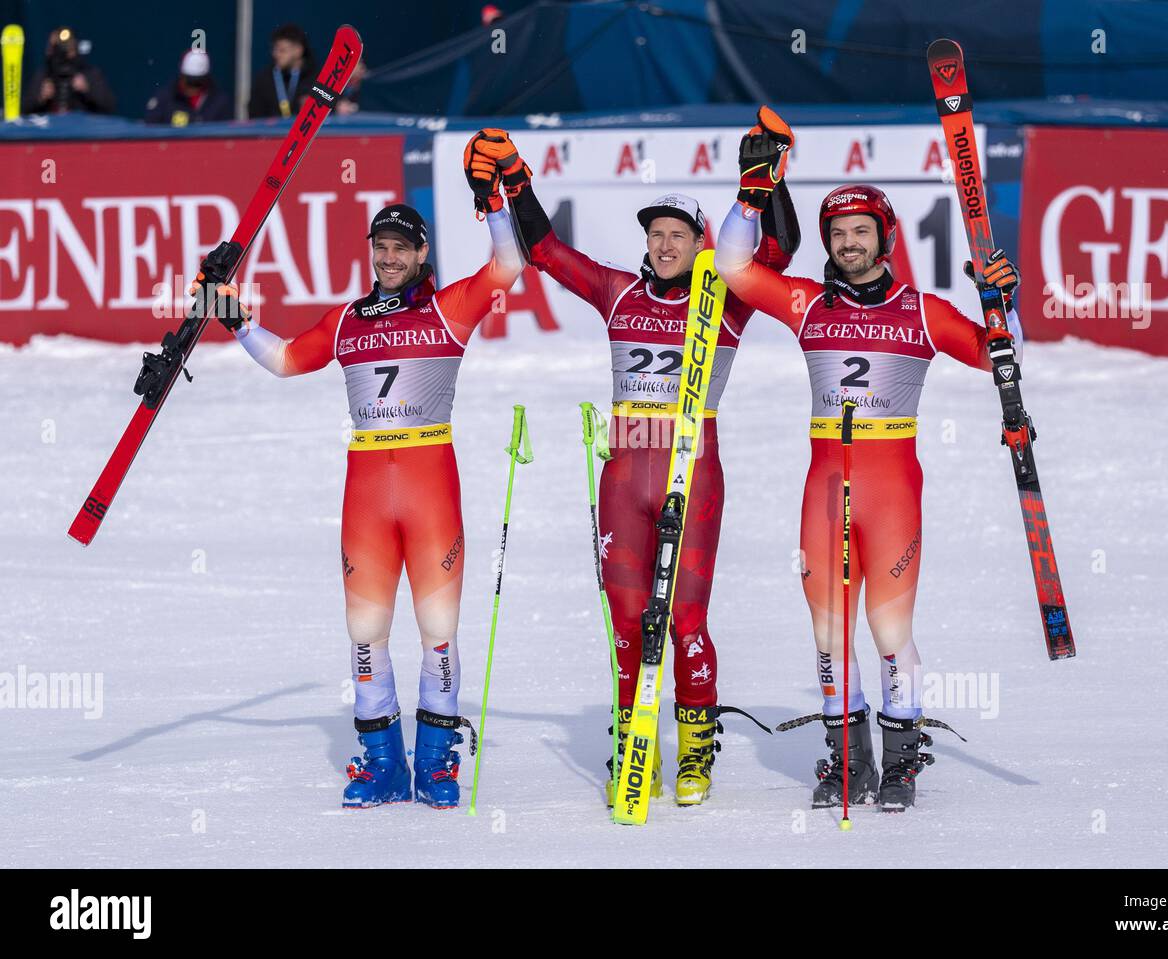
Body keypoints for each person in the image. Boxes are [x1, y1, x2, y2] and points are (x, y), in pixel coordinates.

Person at [484, 113, 799, 806]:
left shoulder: (727, 299)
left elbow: (780, 247)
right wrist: (514, 177)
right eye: (654, 235)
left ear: (699, 244)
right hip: (625, 473)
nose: (662, 246)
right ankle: (635, 741)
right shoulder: (617, 292)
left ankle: (694, 751)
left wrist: (767, 177)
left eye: (676, 236)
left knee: (686, 620)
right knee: (626, 624)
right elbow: (546, 252)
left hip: (695, 467)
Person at [206, 133, 525, 809]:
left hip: (430, 487)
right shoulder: (349, 319)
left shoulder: (448, 308)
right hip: (365, 497)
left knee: (438, 632)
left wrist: (490, 196)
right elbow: (288, 359)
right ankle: (381, 762)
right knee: (365, 635)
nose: (387, 257)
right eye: (380, 246)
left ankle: (436, 764)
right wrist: (234, 318)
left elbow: (508, 263)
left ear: (421, 254)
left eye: (400, 247)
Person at [715, 127, 1024, 812]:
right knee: (829, 636)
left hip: (892, 494)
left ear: (884, 239)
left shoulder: (921, 311)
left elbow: (1000, 357)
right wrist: (750, 193)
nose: (849, 242)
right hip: (823, 490)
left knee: (888, 634)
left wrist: (1005, 303)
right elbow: (733, 267)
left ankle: (901, 762)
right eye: (838, 232)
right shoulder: (806, 305)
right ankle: (848, 761)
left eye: (862, 230)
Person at [22, 27, 115, 115]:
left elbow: (109, 107)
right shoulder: (43, 75)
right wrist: (40, 98)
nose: (61, 51)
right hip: (51, 128)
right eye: (55, 47)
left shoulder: (90, 73)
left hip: (82, 128)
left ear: (75, 48)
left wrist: (88, 90)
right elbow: (24, 110)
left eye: (65, 46)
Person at [144, 50, 233, 126]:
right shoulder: (164, 99)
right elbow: (151, 130)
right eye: (189, 81)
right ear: (182, 76)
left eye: (198, 82)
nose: (193, 87)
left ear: (206, 80)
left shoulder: (220, 102)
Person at [248, 24, 314, 119]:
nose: (276, 54)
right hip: (272, 132)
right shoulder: (264, 79)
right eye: (275, 49)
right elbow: (254, 116)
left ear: (298, 50)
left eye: (282, 50)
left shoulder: (316, 78)